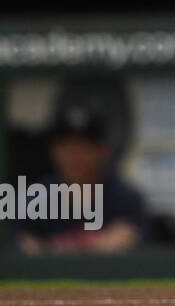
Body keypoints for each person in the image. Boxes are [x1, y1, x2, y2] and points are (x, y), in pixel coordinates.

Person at [14, 105, 147, 254]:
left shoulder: (126, 199)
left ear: (102, 150)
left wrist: (52, 248)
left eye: (83, 147)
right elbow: (22, 244)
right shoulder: (33, 198)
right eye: (67, 146)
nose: (74, 156)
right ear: (54, 150)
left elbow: (132, 241)